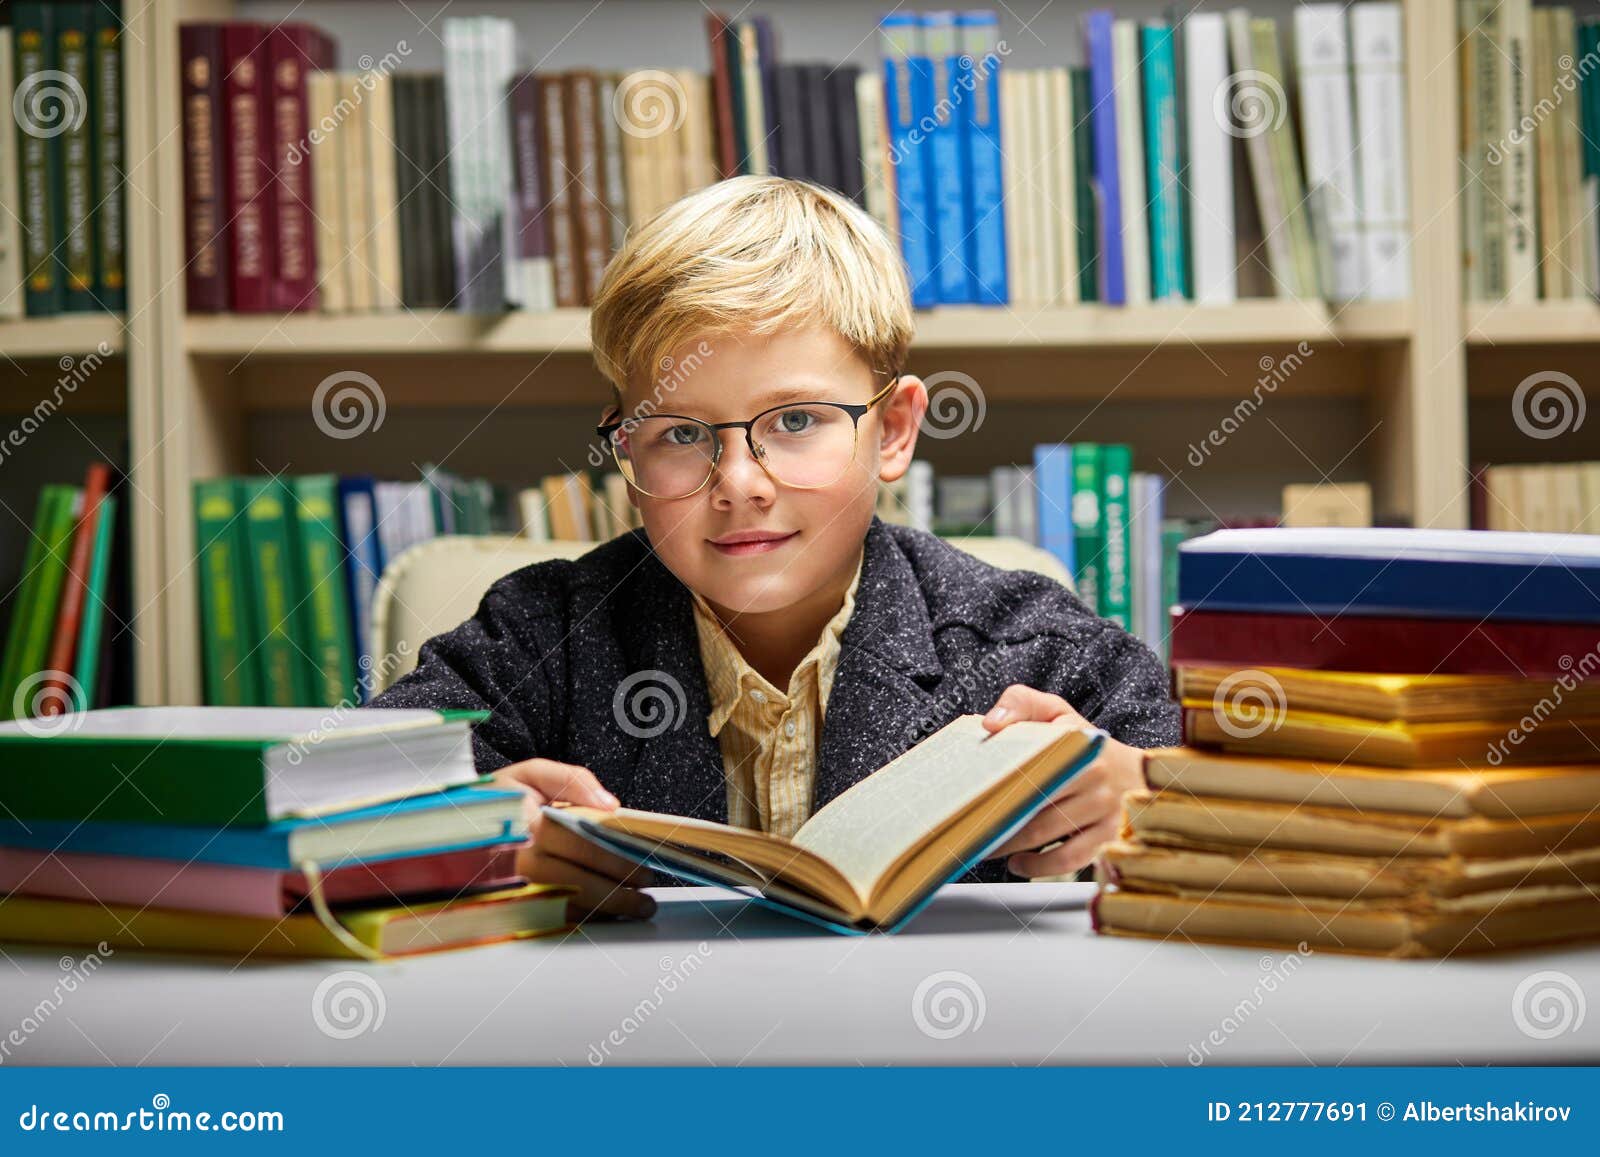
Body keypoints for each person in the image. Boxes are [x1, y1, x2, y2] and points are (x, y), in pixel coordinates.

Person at [369, 176, 1180, 918]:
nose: (739, 483)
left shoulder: (1027, 643)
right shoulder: (543, 633)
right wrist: (469, 835)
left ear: (892, 429)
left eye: (795, 421)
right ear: (625, 448)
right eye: (681, 433)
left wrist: (1141, 801)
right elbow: (329, 814)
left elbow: (1251, 830)